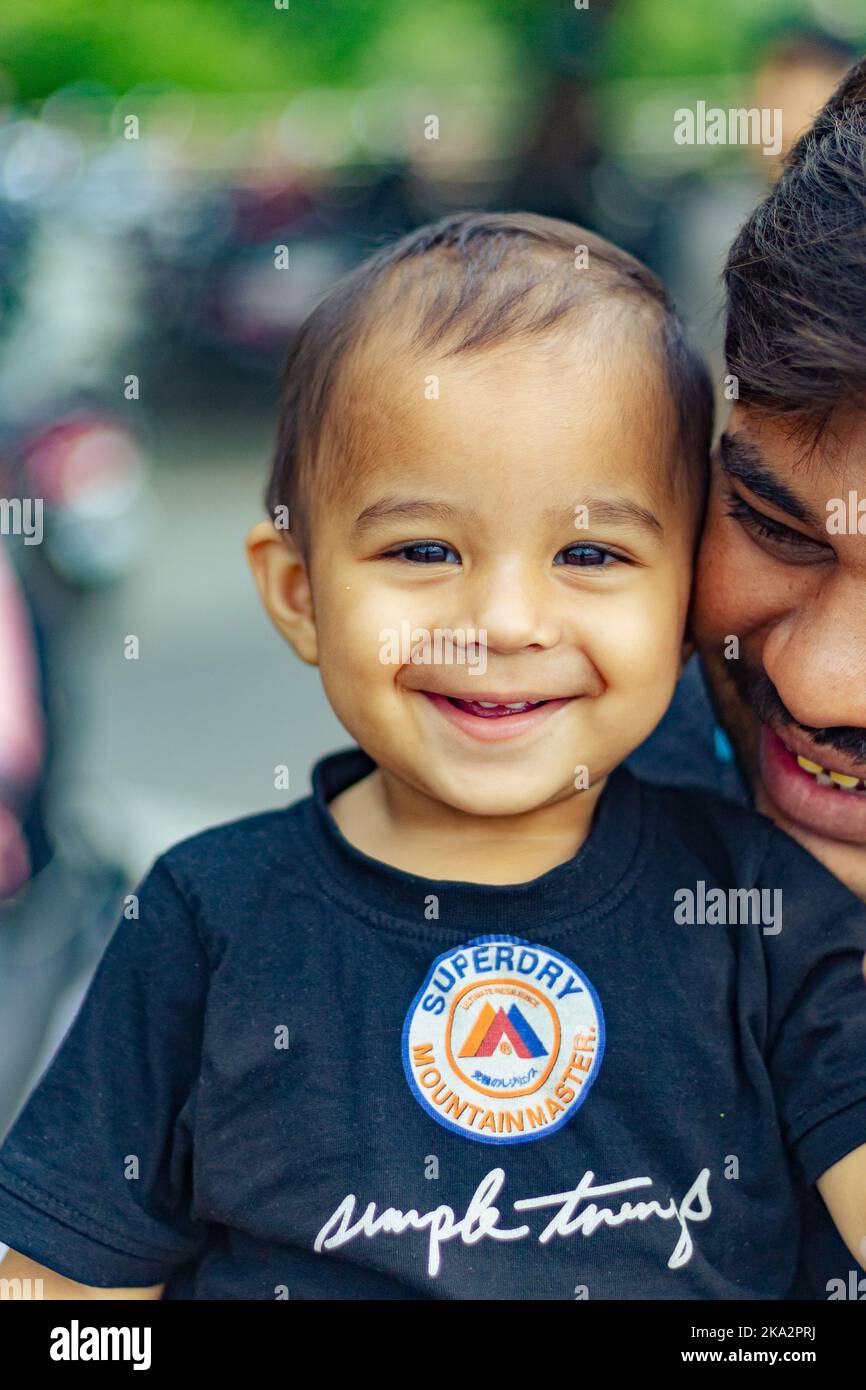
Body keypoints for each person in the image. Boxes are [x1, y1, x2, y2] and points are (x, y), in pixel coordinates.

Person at [0, 211, 864, 1301]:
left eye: (590, 552)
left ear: (682, 590)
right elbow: (62, 1287)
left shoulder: (763, 913)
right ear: (299, 591)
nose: (501, 620)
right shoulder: (204, 920)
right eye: (422, 549)